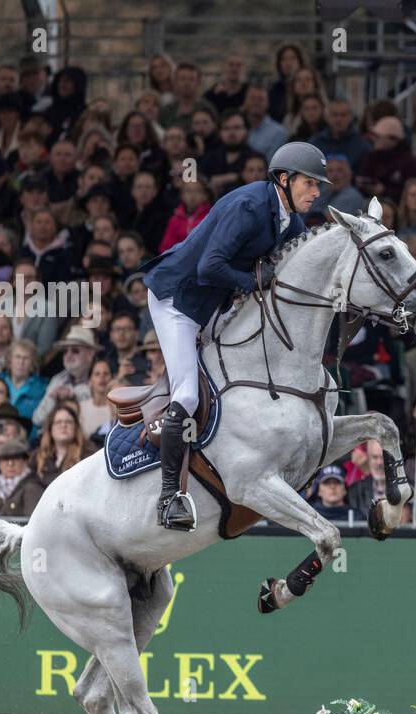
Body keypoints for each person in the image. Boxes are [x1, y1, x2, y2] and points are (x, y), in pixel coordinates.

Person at [141, 140, 326, 529]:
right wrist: (254, 280)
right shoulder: (249, 206)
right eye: (309, 183)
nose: (316, 192)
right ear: (285, 179)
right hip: (178, 300)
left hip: (211, 303)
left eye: (318, 185)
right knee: (188, 393)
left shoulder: (289, 220)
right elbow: (210, 266)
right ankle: (169, 497)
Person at [0, 437, 45, 517]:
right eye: (5, 459)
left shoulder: (32, 488)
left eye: (15, 458)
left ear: (25, 461)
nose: (10, 464)